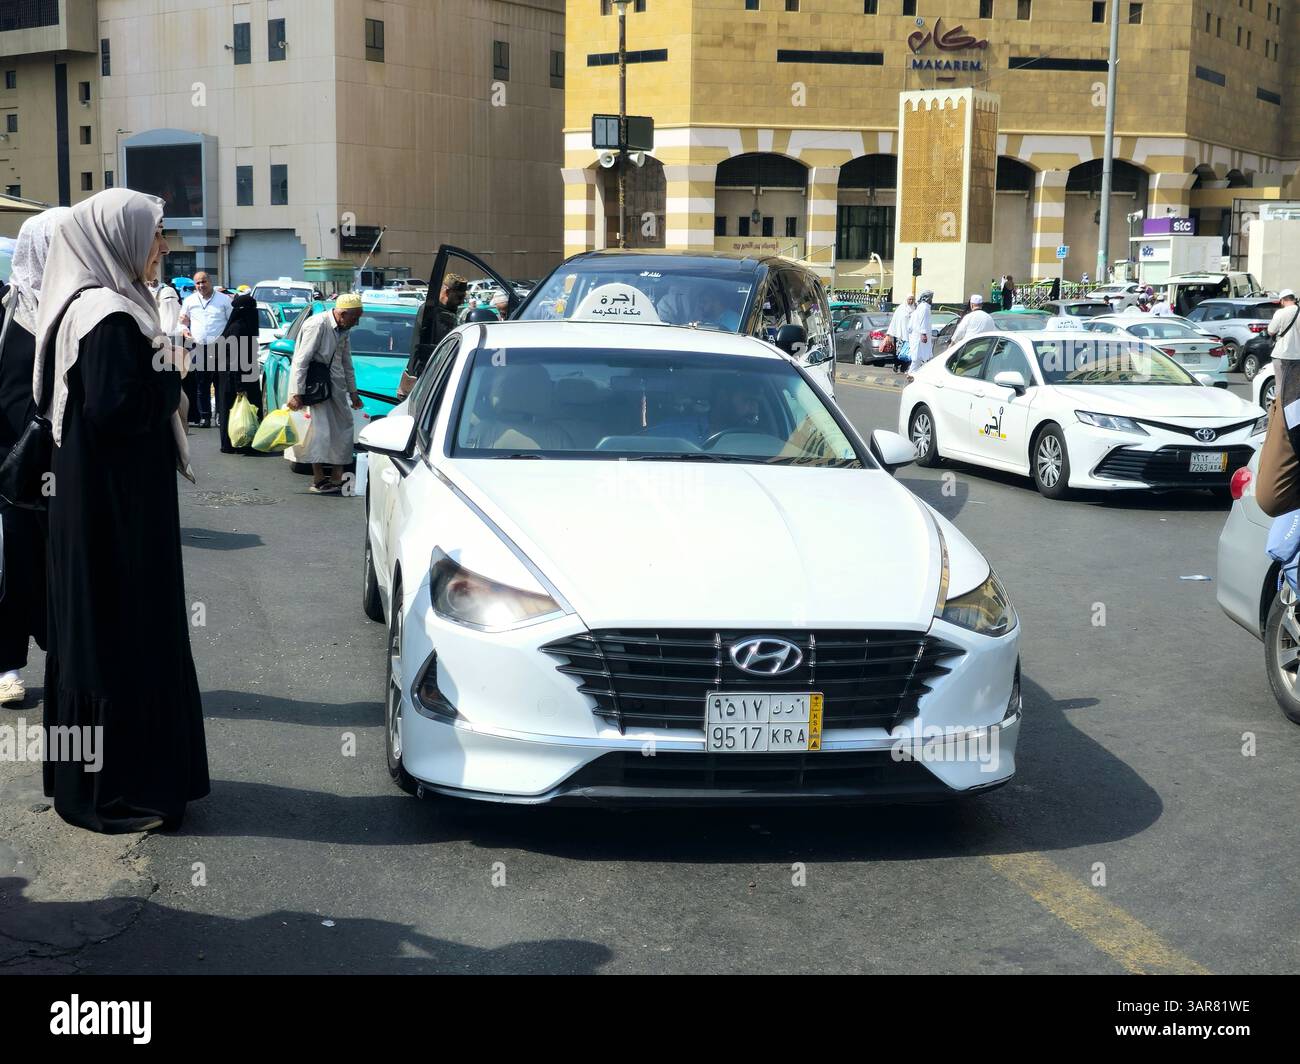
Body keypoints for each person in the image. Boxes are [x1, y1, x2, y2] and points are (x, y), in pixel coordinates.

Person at [34, 188, 208, 834]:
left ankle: (108, 780)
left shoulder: (98, 308)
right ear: (118, 237)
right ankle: (118, 789)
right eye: (155, 234)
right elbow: (117, 412)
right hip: (117, 518)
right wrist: (172, 372)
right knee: (124, 635)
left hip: (104, 509)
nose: (161, 247)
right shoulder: (105, 317)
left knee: (111, 635)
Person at [0, 208, 69, 706]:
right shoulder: (13, 311)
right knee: (12, 573)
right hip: (17, 467)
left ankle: (70, 663)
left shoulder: (77, 307)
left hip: (68, 468)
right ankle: (7, 666)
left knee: (64, 573)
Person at [287, 293, 364, 494]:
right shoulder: (317, 324)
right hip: (315, 387)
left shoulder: (344, 328)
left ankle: (337, 478)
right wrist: (296, 393)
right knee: (320, 432)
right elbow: (301, 361)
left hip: (336, 387)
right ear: (343, 314)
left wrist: (354, 393)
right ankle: (319, 478)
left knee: (344, 428)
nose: (356, 323)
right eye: (355, 318)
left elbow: (347, 363)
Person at [397, 273, 467, 398]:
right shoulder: (430, 312)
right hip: (420, 379)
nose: (462, 301)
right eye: (459, 297)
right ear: (447, 291)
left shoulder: (452, 312)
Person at [178, 272, 232, 427]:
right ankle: (205, 416)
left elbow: (231, 321)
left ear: (210, 281)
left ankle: (221, 415)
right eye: (197, 283)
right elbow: (182, 320)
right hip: (199, 347)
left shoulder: (224, 300)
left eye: (203, 282)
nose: (201, 286)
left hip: (220, 347)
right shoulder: (189, 301)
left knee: (220, 383)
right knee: (202, 384)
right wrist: (184, 329)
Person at [215, 292, 263, 455]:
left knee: (235, 411)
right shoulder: (239, 329)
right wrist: (240, 387)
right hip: (237, 378)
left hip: (236, 376)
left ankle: (234, 444)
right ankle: (242, 443)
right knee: (238, 410)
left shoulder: (236, 327)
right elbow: (235, 360)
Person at [906, 290, 935, 378]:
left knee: (921, 356)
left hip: (917, 336)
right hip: (920, 337)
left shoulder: (920, 307)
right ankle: (911, 373)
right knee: (918, 357)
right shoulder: (924, 307)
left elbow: (910, 326)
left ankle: (914, 373)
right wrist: (923, 333)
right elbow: (922, 321)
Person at [886, 294, 914, 374]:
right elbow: (894, 321)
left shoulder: (914, 309)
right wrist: (889, 334)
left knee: (908, 352)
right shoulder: (901, 309)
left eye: (912, 299)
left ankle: (904, 368)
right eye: (909, 299)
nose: (911, 301)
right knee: (899, 352)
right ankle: (896, 364)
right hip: (900, 335)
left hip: (910, 335)